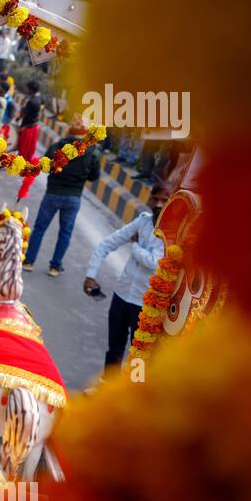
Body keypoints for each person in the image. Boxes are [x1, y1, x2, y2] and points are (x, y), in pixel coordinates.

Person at [82, 184, 171, 370]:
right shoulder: (143, 221)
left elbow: (153, 262)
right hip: (122, 294)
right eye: (155, 199)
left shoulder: (171, 234)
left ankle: (133, 395)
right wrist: (91, 274)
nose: (158, 204)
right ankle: (108, 387)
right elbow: (108, 244)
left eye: (164, 200)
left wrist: (136, 246)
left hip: (146, 303)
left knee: (139, 354)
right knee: (114, 347)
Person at [22, 123, 103, 276]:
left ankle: (29, 261)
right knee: (65, 233)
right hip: (73, 197)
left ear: (69, 132)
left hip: (52, 193)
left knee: (39, 229)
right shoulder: (92, 152)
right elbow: (94, 176)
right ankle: (55, 266)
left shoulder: (56, 146)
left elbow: (45, 165)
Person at [16, 81, 44, 162]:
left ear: (31, 90)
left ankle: (20, 162)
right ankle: (26, 160)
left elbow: (24, 113)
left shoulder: (31, 101)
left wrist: (18, 119)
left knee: (23, 146)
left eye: (27, 88)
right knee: (30, 147)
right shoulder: (41, 98)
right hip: (35, 125)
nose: (26, 90)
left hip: (27, 126)